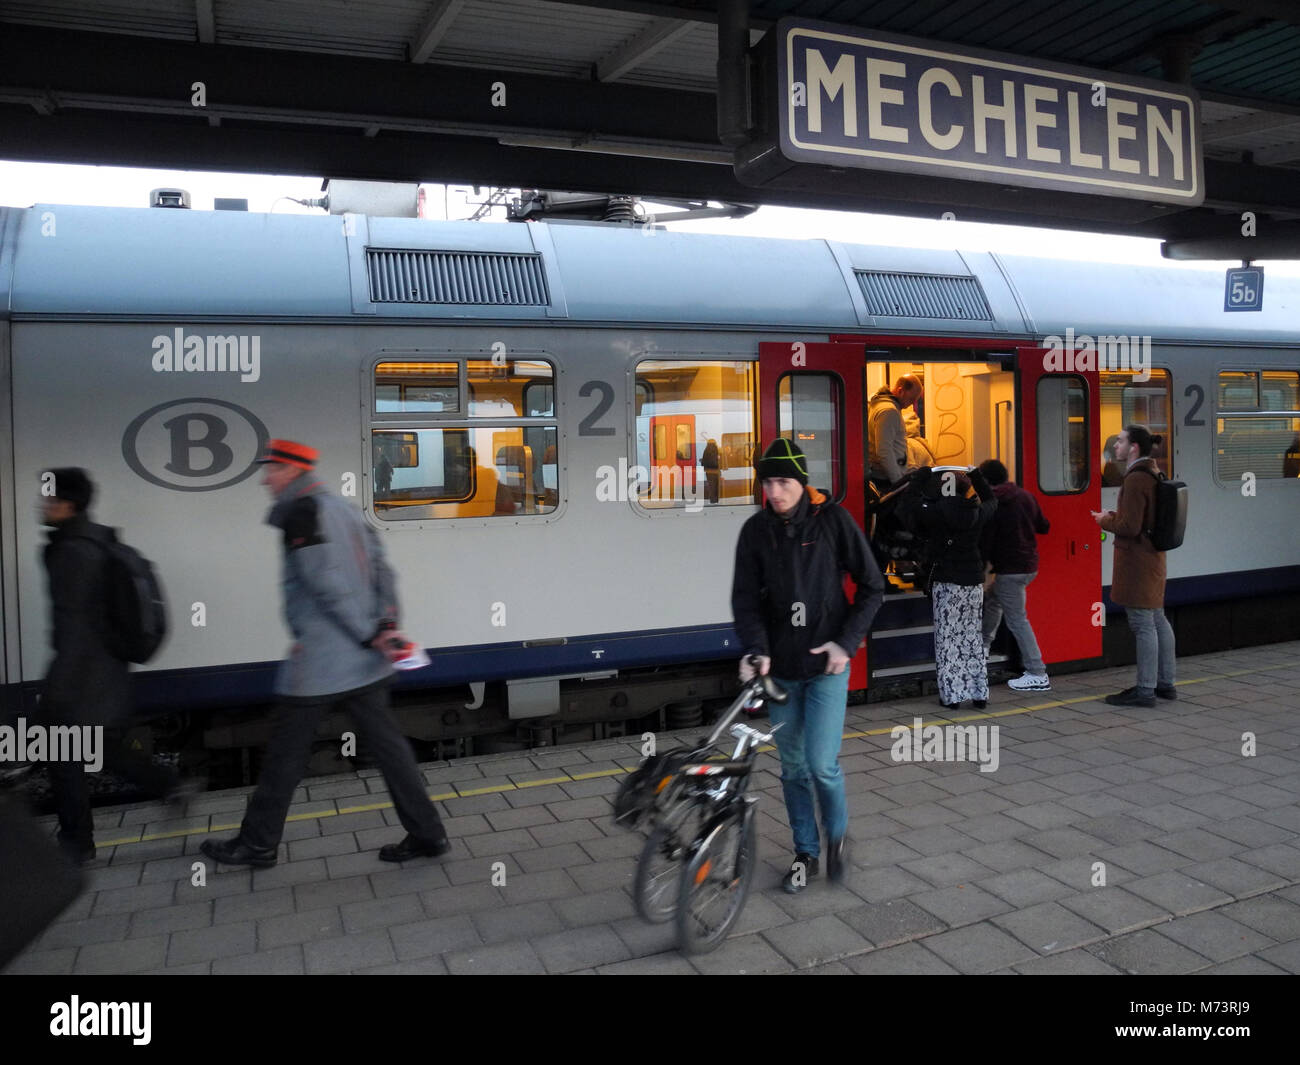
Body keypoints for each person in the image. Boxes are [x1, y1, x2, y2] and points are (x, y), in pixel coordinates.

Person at [201, 440, 450, 868]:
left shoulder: (304, 512)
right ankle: (428, 834)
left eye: (272, 469)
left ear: (294, 470)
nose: (265, 478)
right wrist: (386, 625)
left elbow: (325, 583)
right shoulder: (346, 509)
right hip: (364, 661)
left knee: (284, 754)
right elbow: (383, 571)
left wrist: (368, 633)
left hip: (323, 659)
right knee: (391, 751)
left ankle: (257, 844)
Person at [731, 439, 884, 893]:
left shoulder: (834, 521)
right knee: (793, 769)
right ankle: (806, 853)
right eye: (767, 483)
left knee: (821, 765)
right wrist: (757, 648)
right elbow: (745, 601)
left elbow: (872, 587)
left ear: (802, 483)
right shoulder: (756, 531)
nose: (774, 492)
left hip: (826, 669)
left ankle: (836, 838)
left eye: (783, 482)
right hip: (780, 674)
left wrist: (845, 644)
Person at [38, 468, 181, 864]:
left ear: (66, 504)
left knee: (63, 752)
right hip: (106, 671)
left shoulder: (71, 552)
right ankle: (169, 786)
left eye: (48, 498)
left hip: (83, 673)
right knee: (100, 747)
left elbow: (74, 628)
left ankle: (76, 843)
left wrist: (55, 691)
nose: (42, 504)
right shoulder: (93, 541)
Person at [1091, 425, 1177, 707]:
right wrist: (1115, 514)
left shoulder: (1135, 479)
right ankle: (1166, 683)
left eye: (1120, 441)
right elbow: (1142, 518)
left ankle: (1145, 689)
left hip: (1137, 562)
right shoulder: (1153, 472)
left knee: (1143, 624)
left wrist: (1104, 520)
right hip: (1152, 558)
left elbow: (1130, 526)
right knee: (1157, 620)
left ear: (1134, 448)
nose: (1115, 446)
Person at [907, 466, 997, 709]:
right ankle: (979, 694)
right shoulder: (977, 511)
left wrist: (921, 476)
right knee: (972, 639)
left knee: (948, 641)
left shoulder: (934, 513)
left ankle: (953, 696)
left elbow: (910, 503)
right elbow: (992, 500)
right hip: (973, 583)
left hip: (947, 583)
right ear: (965, 490)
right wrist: (976, 474)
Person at [977, 459, 1051, 692]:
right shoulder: (1024, 496)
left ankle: (1037, 672)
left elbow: (986, 542)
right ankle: (983, 646)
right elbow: (1044, 526)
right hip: (1029, 566)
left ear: (986, 481)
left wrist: (979, 567)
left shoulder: (994, 504)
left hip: (1011, 570)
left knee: (1017, 619)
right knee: (993, 599)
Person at [867, 374, 924, 489]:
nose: (912, 404)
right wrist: (898, 482)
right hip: (886, 479)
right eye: (911, 399)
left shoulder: (878, 405)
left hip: (882, 475)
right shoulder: (889, 411)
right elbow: (884, 451)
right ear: (900, 390)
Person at [701, 437, 720, 504]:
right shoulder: (717, 450)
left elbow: (703, 462)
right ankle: (717, 500)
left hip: (709, 472)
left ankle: (712, 500)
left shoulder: (706, 451)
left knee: (711, 486)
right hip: (716, 471)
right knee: (717, 486)